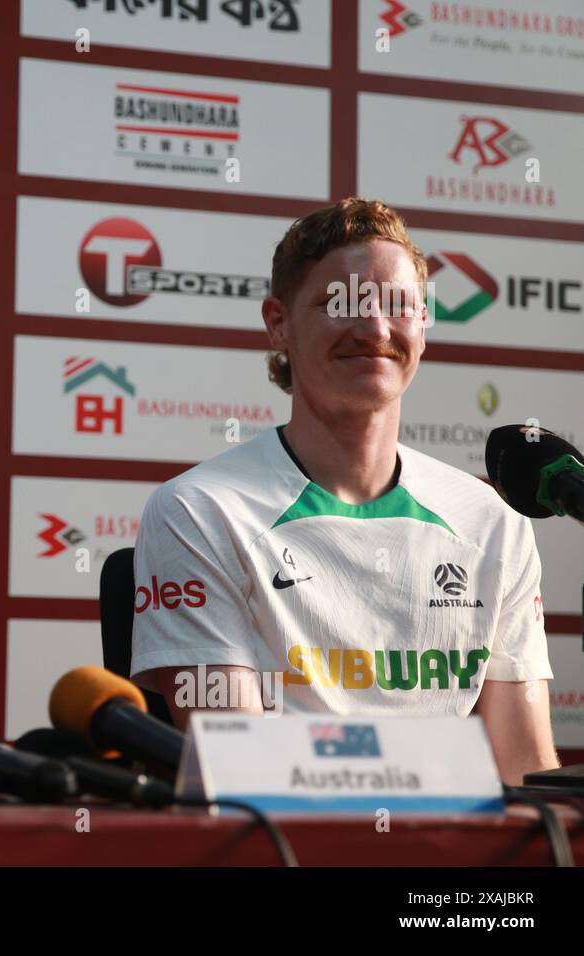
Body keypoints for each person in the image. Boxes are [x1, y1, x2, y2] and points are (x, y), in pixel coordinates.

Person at [131, 197, 558, 786]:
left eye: (398, 305)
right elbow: (241, 775)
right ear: (279, 324)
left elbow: (524, 770)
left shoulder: (494, 522)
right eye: (342, 303)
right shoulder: (199, 510)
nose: (375, 328)